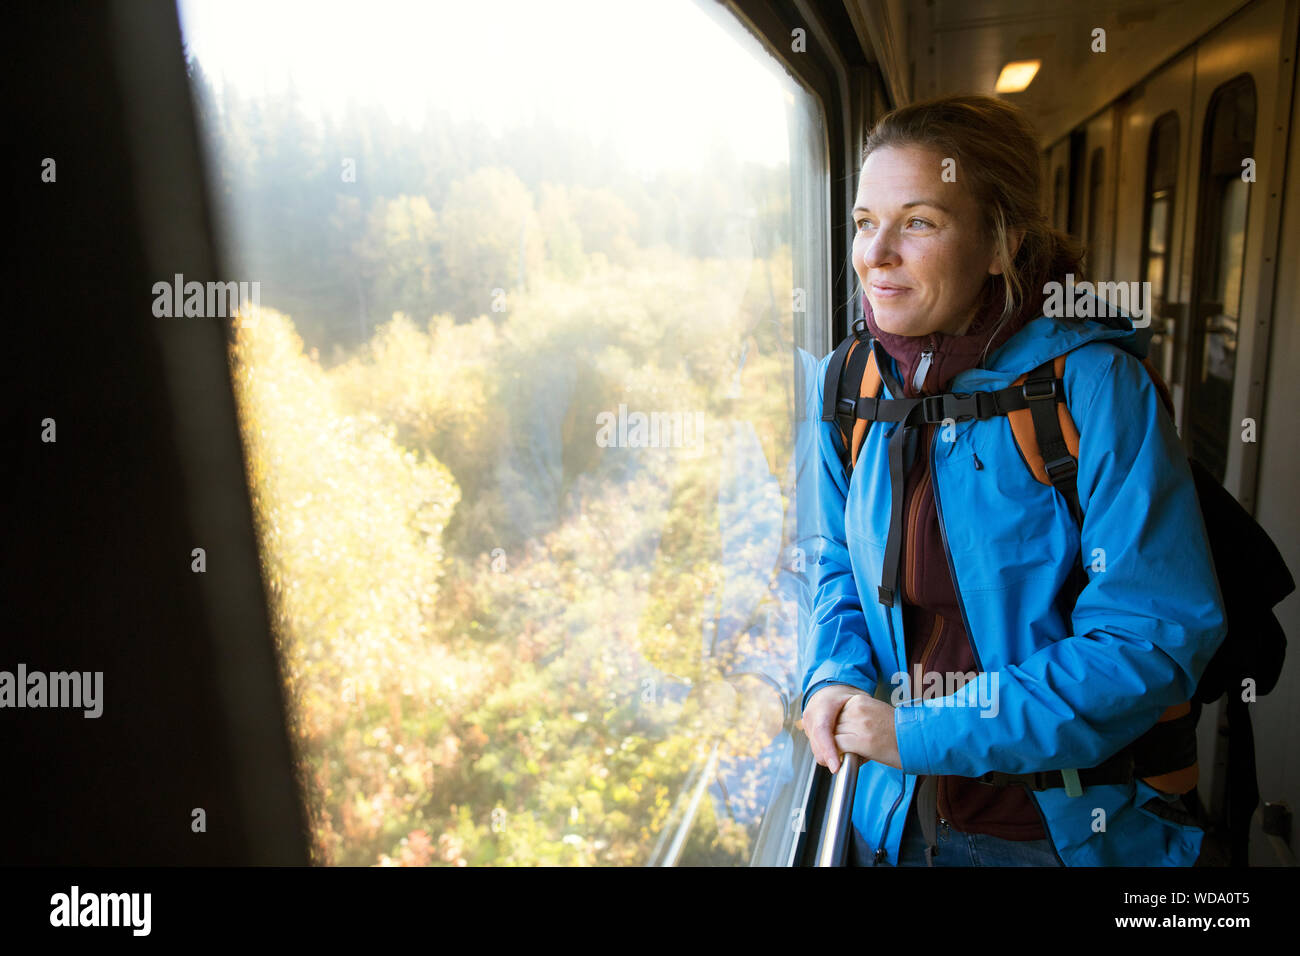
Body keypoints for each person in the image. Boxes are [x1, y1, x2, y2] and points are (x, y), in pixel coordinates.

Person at [799, 94, 1227, 866]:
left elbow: (1147, 641)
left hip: (1052, 833)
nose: (875, 254)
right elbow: (833, 559)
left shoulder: (1093, 390)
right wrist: (832, 674)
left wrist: (920, 733)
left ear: (1001, 245)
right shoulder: (850, 385)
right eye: (865, 222)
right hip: (888, 815)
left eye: (919, 222)